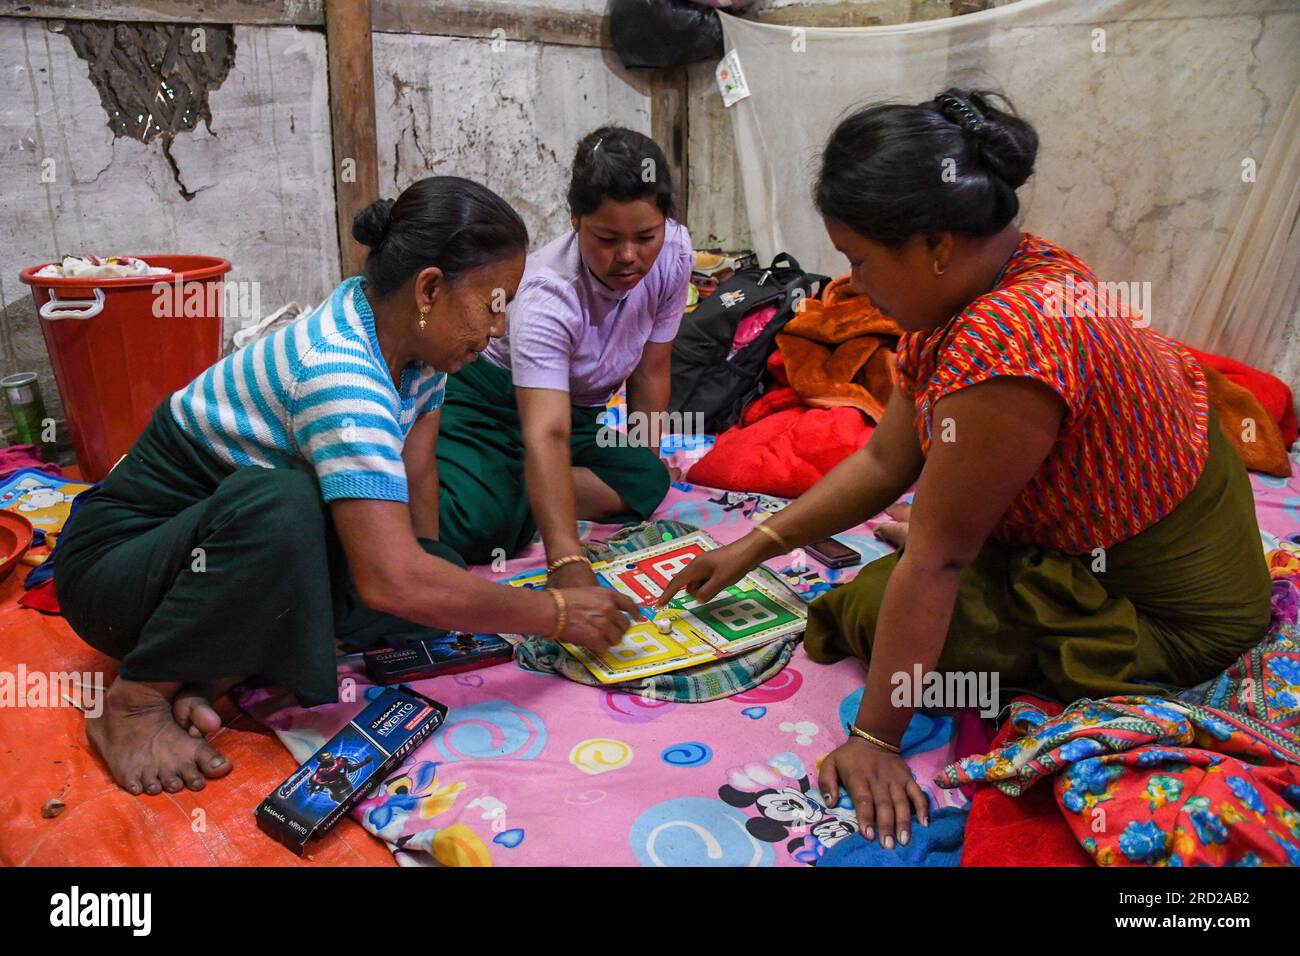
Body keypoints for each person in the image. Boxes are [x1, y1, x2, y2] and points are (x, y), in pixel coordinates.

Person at [657, 89, 1270, 851]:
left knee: (872, 609)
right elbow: (887, 457)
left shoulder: (1006, 343)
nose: (852, 285)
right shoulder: (998, 267)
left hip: (1172, 617)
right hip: (1139, 526)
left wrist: (877, 740)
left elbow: (940, 563)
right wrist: (758, 543)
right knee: (916, 553)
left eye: (859, 261)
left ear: (935, 246)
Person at [54, 176, 637, 798]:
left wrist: (426, 574)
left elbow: (419, 484)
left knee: (422, 593)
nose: (499, 327)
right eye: (494, 303)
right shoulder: (339, 370)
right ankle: (137, 701)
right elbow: (390, 577)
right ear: (430, 288)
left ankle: (212, 664)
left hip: (222, 560)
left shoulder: (416, 347)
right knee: (288, 508)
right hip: (116, 574)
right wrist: (550, 613)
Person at [436, 127, 693, 592]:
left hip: (569, 412)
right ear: (575, 220)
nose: (629, 257)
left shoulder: (674, 254)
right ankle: (520, 484)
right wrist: (566, 559)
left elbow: (652, 370)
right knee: (476, 526)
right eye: (607, 238)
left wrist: (643, 457)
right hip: (489, 401)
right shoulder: (547, 295)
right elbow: (546, 430)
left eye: (646, 236)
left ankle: (521, 482)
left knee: (646, 480)